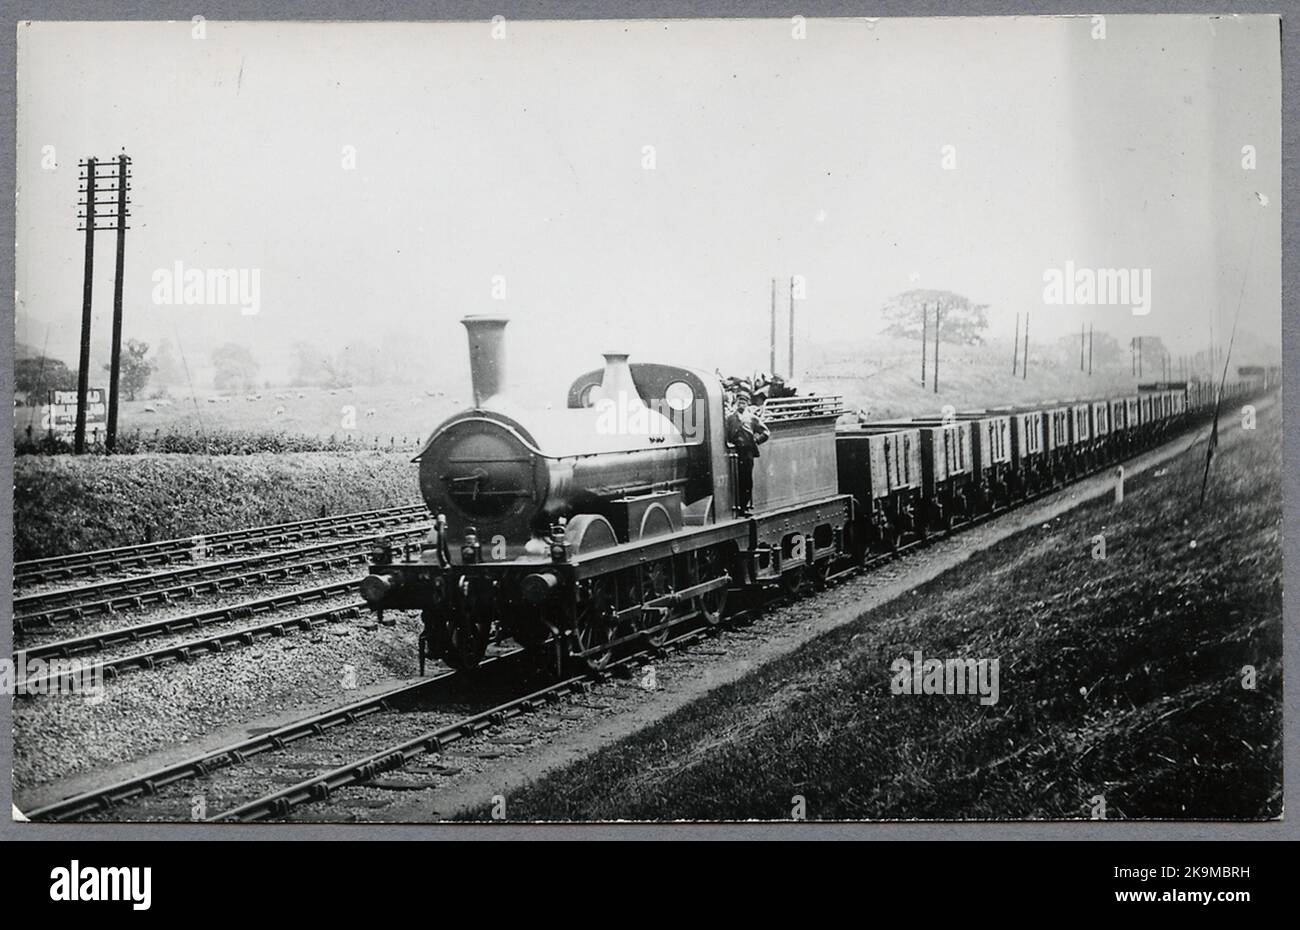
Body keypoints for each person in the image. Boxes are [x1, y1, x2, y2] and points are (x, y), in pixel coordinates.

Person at [725, 392, 769, 515]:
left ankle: (744, 506)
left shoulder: (752, 418)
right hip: (734, 452)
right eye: (739, 402)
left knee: (747, 481)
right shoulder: (730, 418)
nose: (741, 404)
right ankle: (736, 506)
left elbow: (766, 432)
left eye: (744, 402)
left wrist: (755, 440)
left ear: (748, 404)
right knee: (736, 480)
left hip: (747, 452)